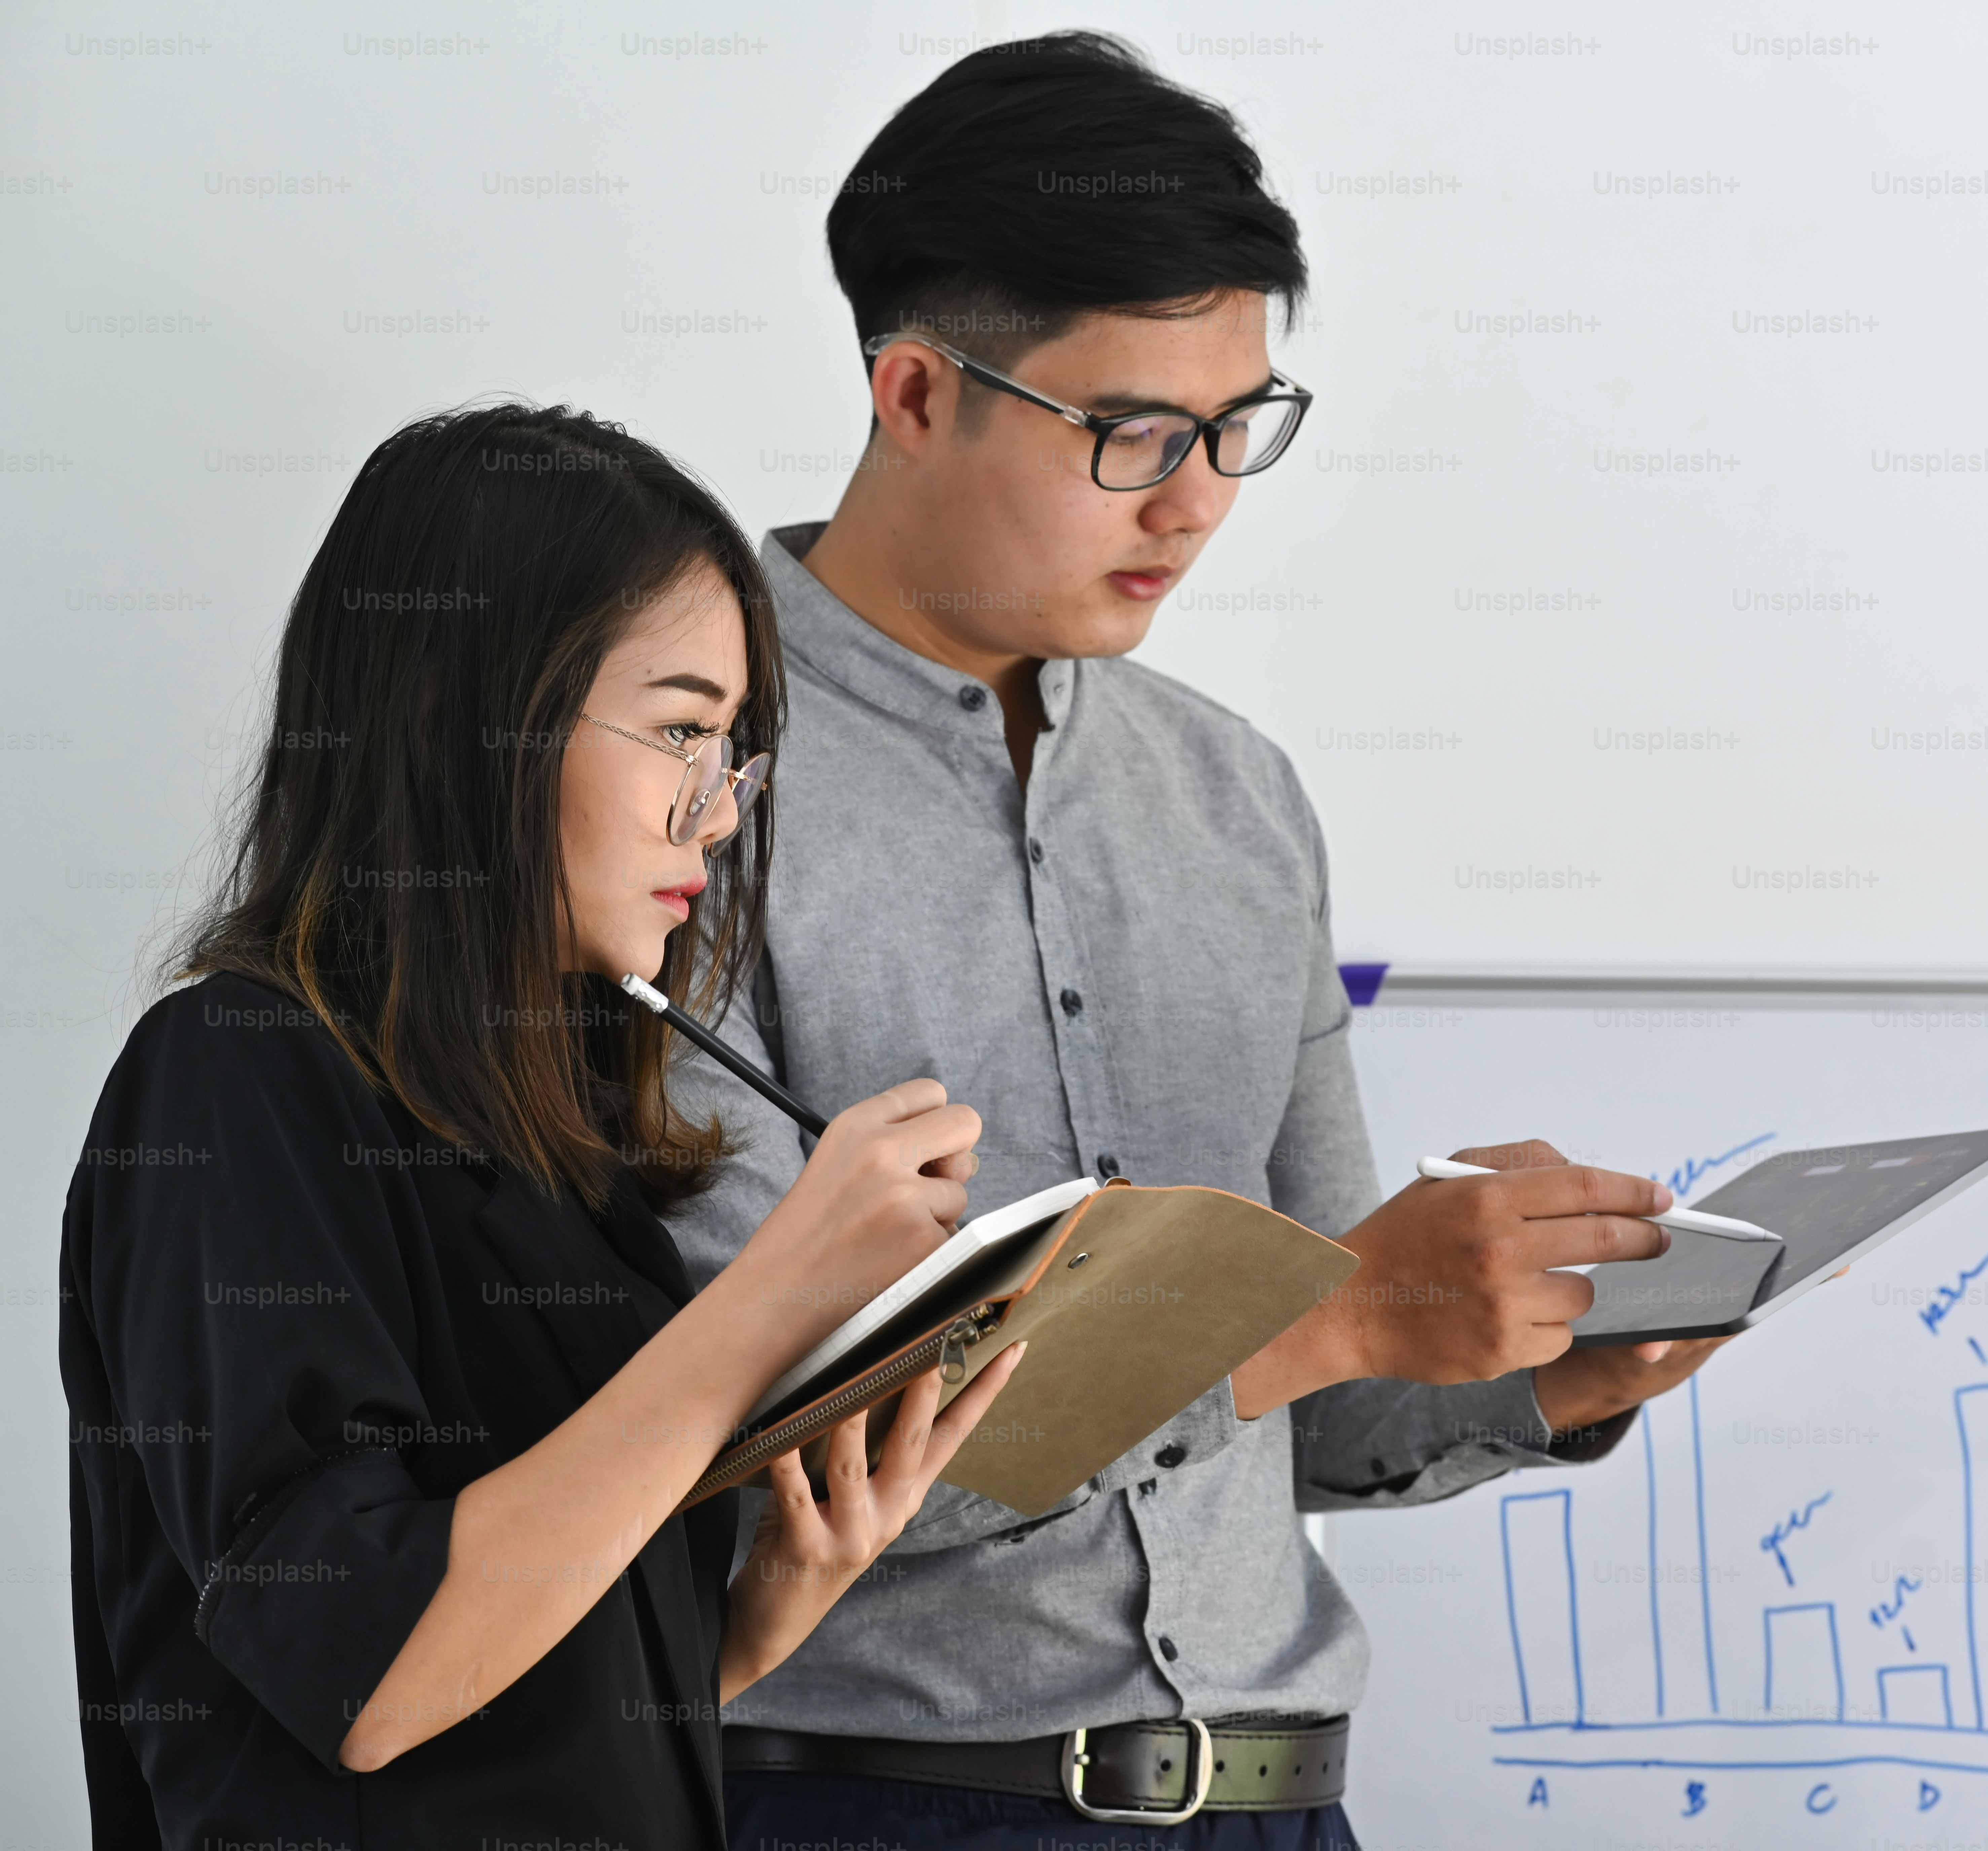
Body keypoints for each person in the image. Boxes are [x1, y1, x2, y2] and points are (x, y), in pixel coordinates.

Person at [661, 34, 1726, 1849]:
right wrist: (1339, 1312)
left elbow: (1316, 1399)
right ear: (915, 393)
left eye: (1242, 427)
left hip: (1283, 1801)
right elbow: (769, 1453)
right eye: (1139, 434)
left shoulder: (1235, 795)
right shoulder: (679, 782)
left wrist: (1551, 1372)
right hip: (878, 1804)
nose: (1202, 498)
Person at [61, 402, 1021, 1849]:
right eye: (683, 729)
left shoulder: (557, 1145)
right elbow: (369, 1674)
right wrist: (768, 1304)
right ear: (474, 720)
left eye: (734, 750)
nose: (718, 815)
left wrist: (759, 1614)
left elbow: (521, 1713)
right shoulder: (233, 1076)